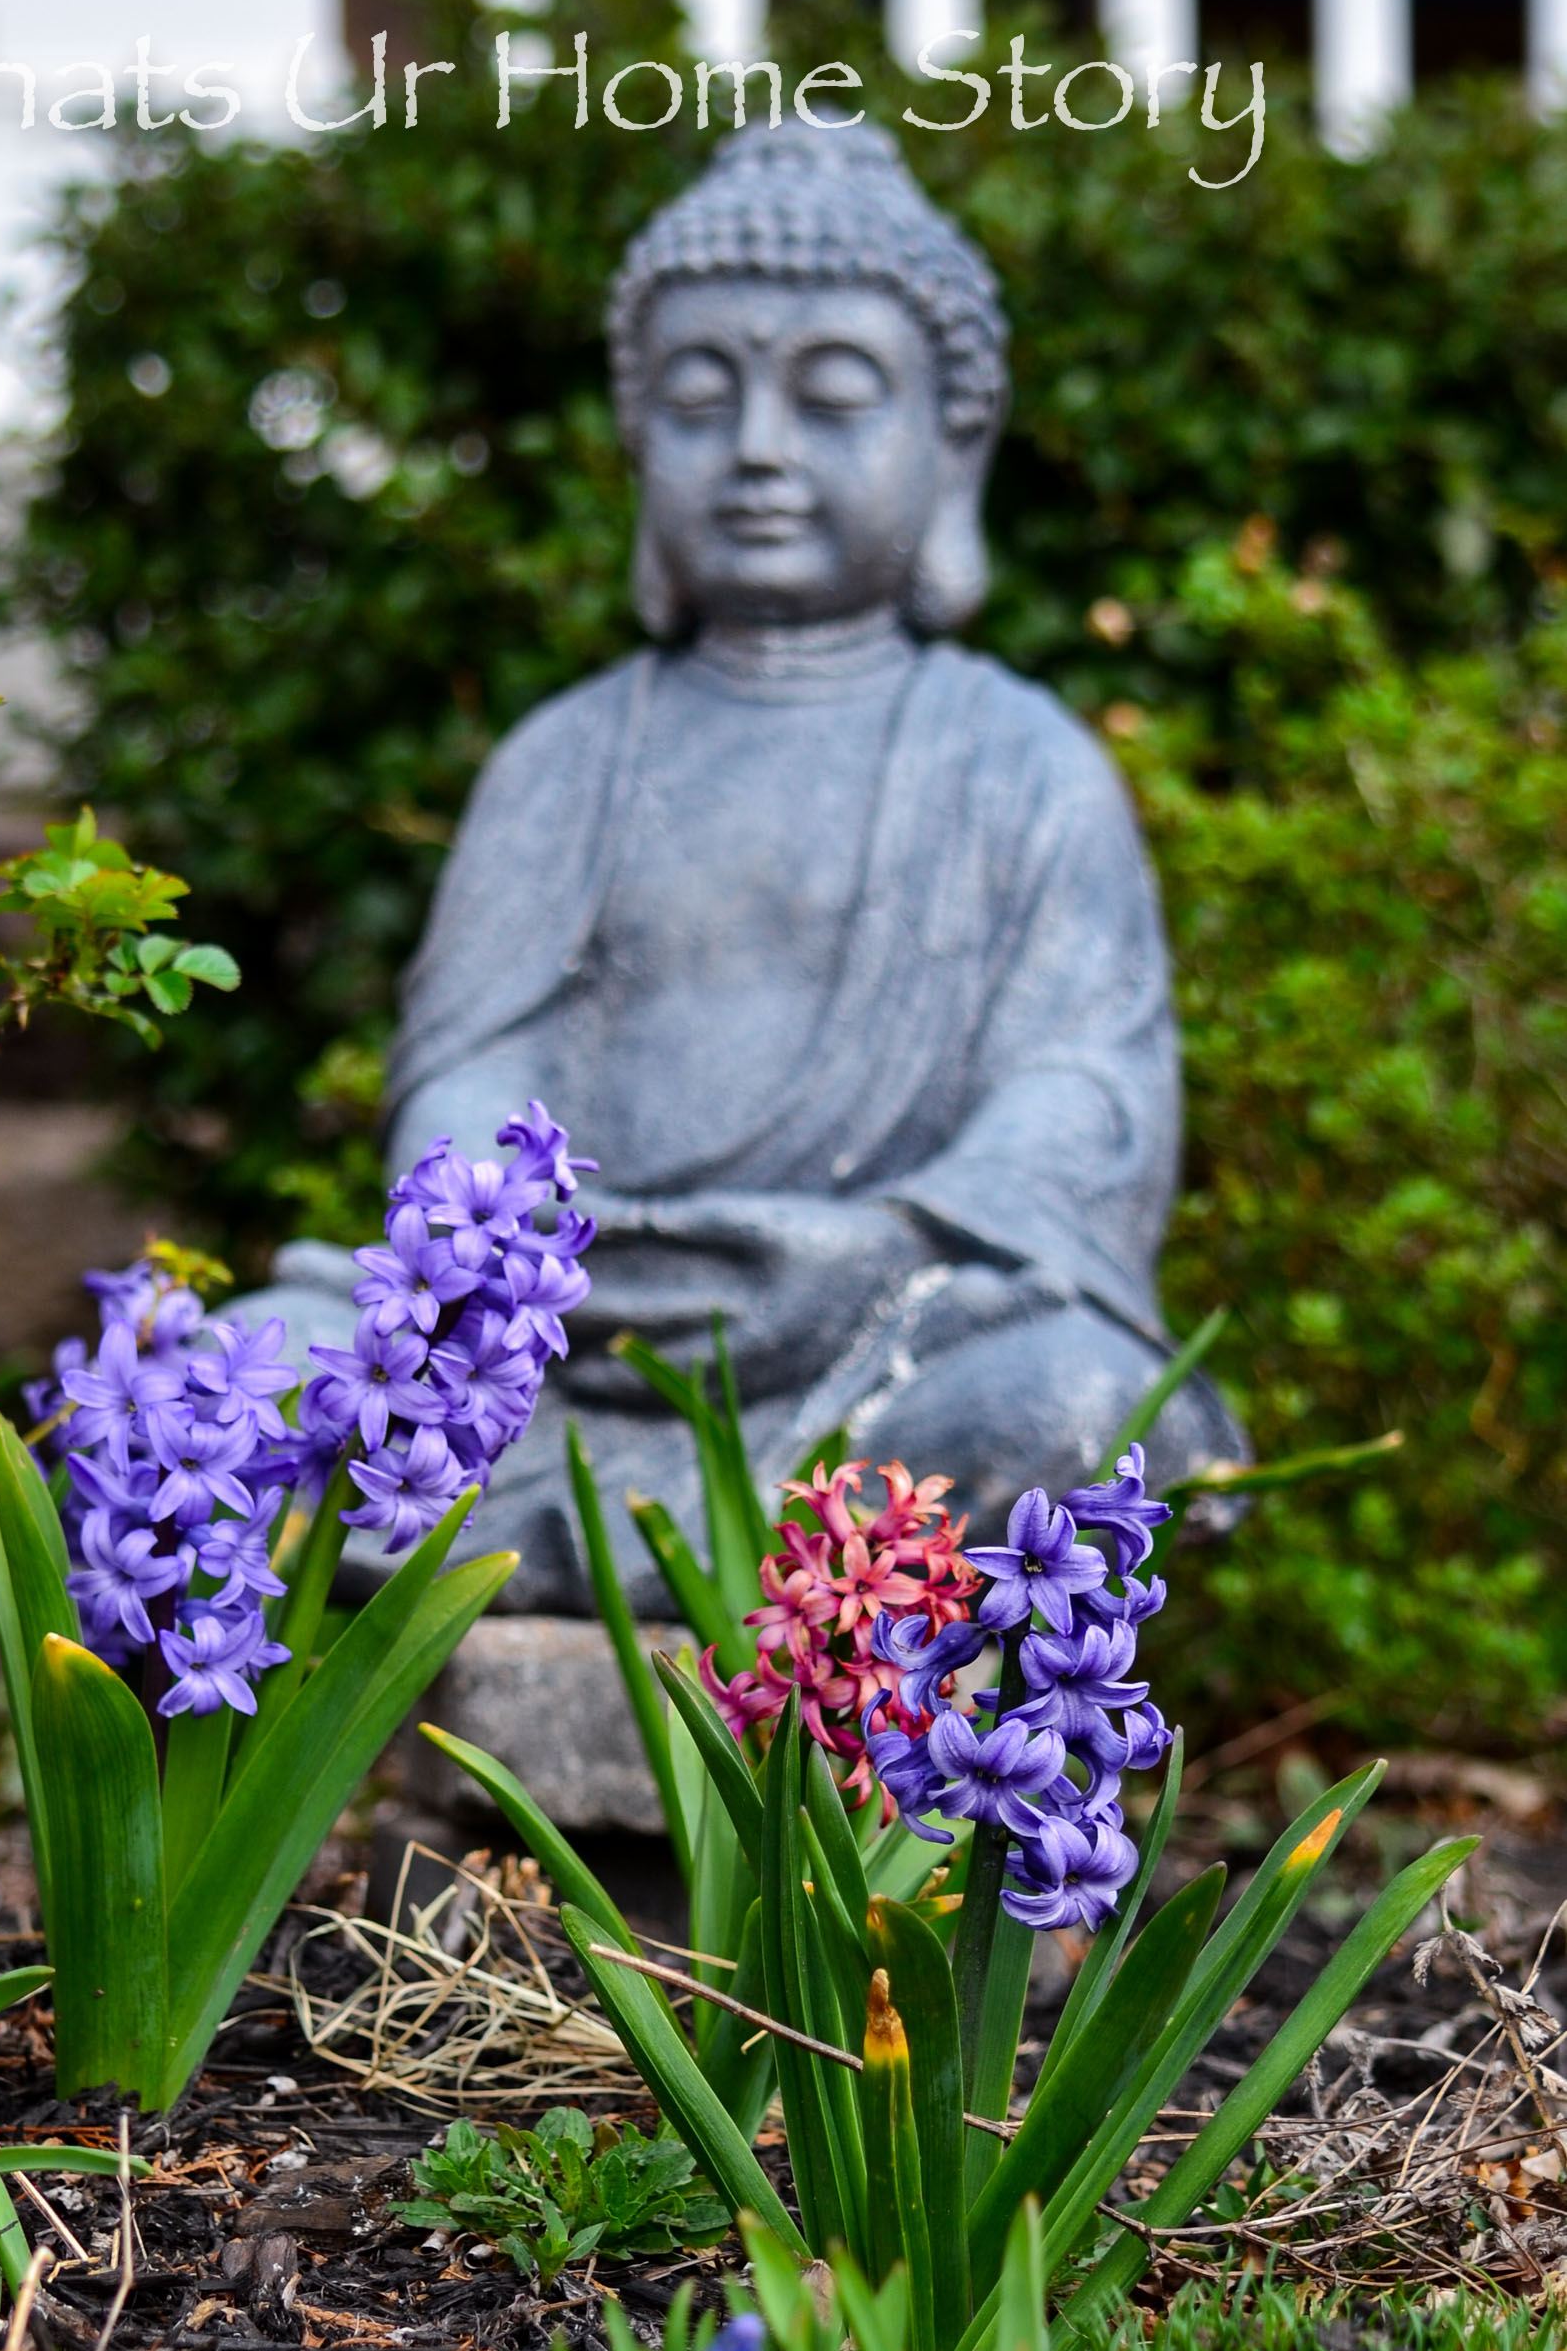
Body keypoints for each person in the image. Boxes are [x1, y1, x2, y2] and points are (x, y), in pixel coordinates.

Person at [246, 119, 1242, 1607]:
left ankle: (603, 1554)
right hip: (571, 1337)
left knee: (1075, 1412)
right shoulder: (570, 758)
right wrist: (506, 1247)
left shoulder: (1019, 761)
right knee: (238, 1374)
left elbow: (1085, 1102)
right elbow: (461, 1078)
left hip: (874, 1334)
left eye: (833, 397)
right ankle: (745, 1564)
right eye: (701, 401)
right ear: (640, 442)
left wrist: (878, 1244)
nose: (761, 449)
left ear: (950, 443)